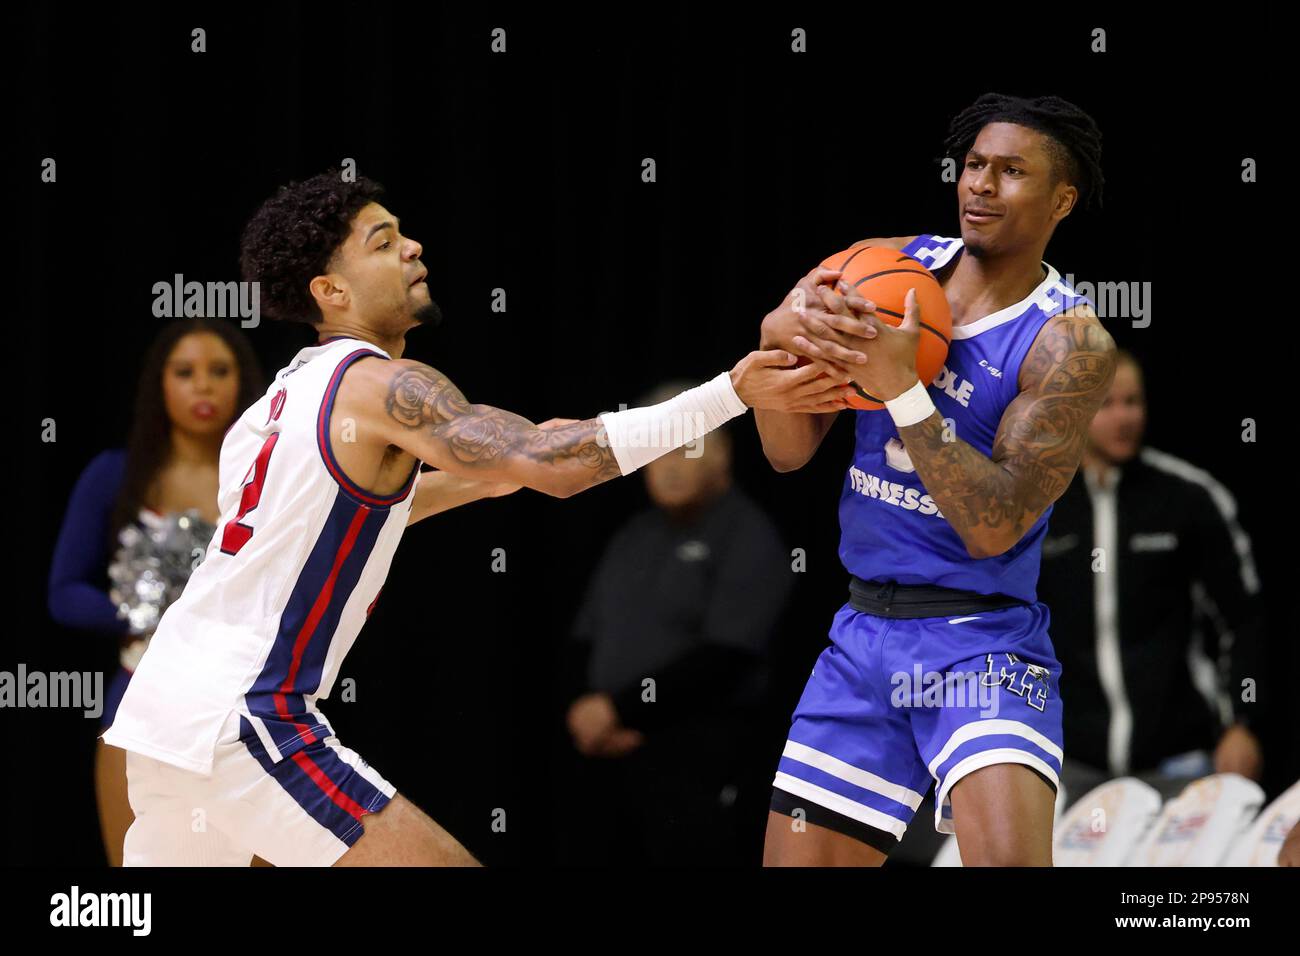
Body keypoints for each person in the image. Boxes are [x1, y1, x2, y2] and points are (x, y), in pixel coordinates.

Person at [102, 170, 853, 867]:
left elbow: (351, 513)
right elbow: (553, 462)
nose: (413, 246)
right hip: (247, 714)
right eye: (384, 241)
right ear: (330, 290)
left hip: (161, 714)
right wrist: (731, 392)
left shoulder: (274, 404)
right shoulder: (381, 384)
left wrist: (490, 476)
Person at [755, 93, 1117, 866]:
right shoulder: (878, 269)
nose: (980, 184)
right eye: (975, 164)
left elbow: (995, 527)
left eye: (1011, 171)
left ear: (1062, 199)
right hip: (860, 636)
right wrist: (778, 346)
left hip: (979, 642)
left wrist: (906, 392)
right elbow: (786, 452)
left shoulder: (1068, 341)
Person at [48, 318, 263, 865]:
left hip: (250, 704)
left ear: (243, 382)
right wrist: (147, 608)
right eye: (185, 372)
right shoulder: (114, 475)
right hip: (141, 702)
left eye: (219, 371)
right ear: (159, 384)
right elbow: (65, 591)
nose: (204, 386)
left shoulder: (266, 477)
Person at [558, 386, 792, 864]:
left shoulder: (748, 536)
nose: (667, 463)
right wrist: (586, 709)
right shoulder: (632, 534)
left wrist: (621, 711)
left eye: (685, 445)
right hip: (602, 757)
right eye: (656, 449)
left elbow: (727, 657)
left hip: (695, 759)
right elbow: (584, 636)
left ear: (722, 453)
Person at [1037, 348, 1264, 804]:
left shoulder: (1190, 498)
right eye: (1106, 404)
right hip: (1068, 770)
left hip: (1180, 766)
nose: (1123, 418)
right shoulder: (1039, 506)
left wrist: (1244, 724)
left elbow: (1245, 622)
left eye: (1133, 402)